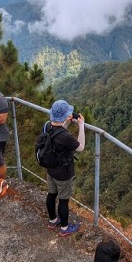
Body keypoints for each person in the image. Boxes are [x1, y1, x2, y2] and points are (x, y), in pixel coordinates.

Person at [44, 100, 85, 237]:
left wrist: (66, 122)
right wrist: (81, 125)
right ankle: (64, 227)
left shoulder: (48, 126)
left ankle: (52, 221)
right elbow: (80, 147)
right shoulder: (65, 136)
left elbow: (59, 133)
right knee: (63, 200)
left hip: (51, 170)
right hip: (63, 174)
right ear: (65, 115)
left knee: (51, 194)